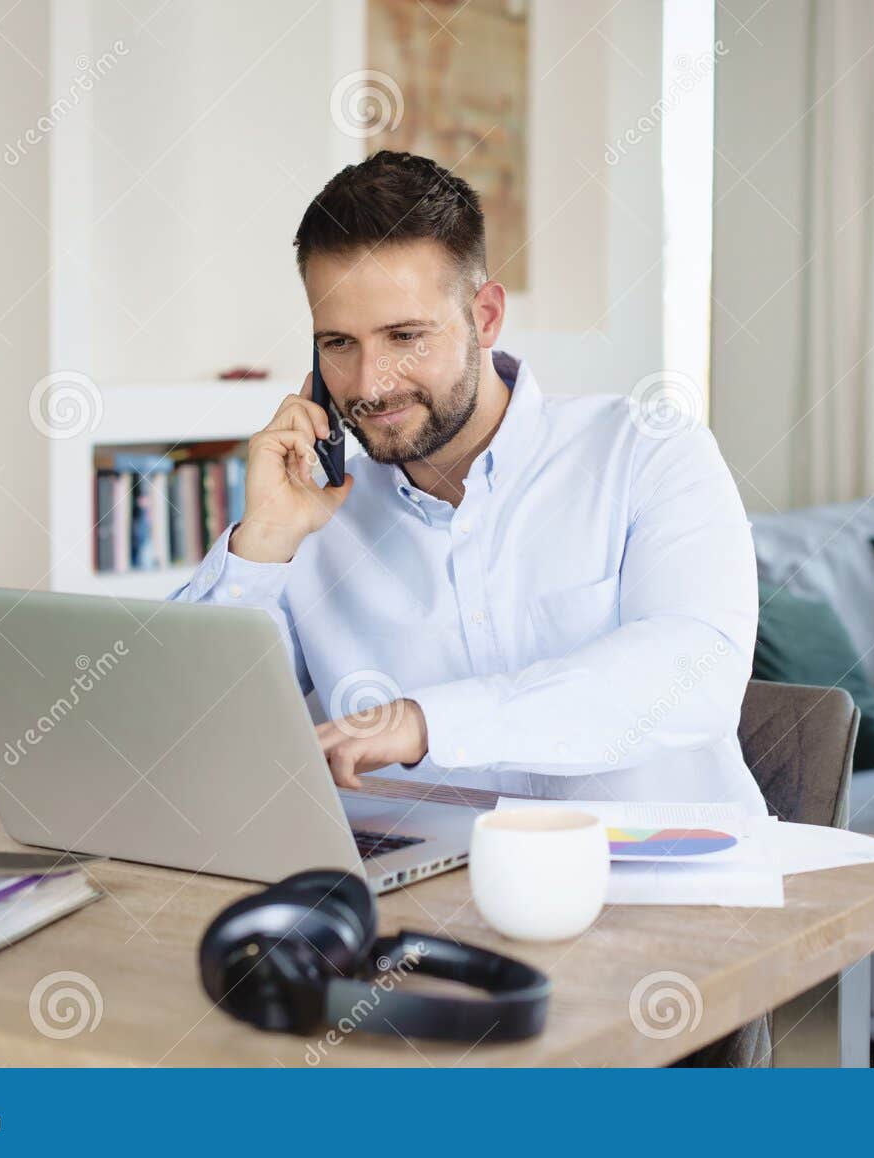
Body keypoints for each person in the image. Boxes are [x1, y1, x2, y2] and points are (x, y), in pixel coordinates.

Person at [169, 150, 763, 815]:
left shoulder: (647, 451)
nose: (370, 384)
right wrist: (264, 544)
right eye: (338, 343)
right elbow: (188, 740)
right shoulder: (314, 519)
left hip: (666, 885)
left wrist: (427, 723)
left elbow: (694, 671)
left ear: (484, 316)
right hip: (415, 902)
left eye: (404, 335)